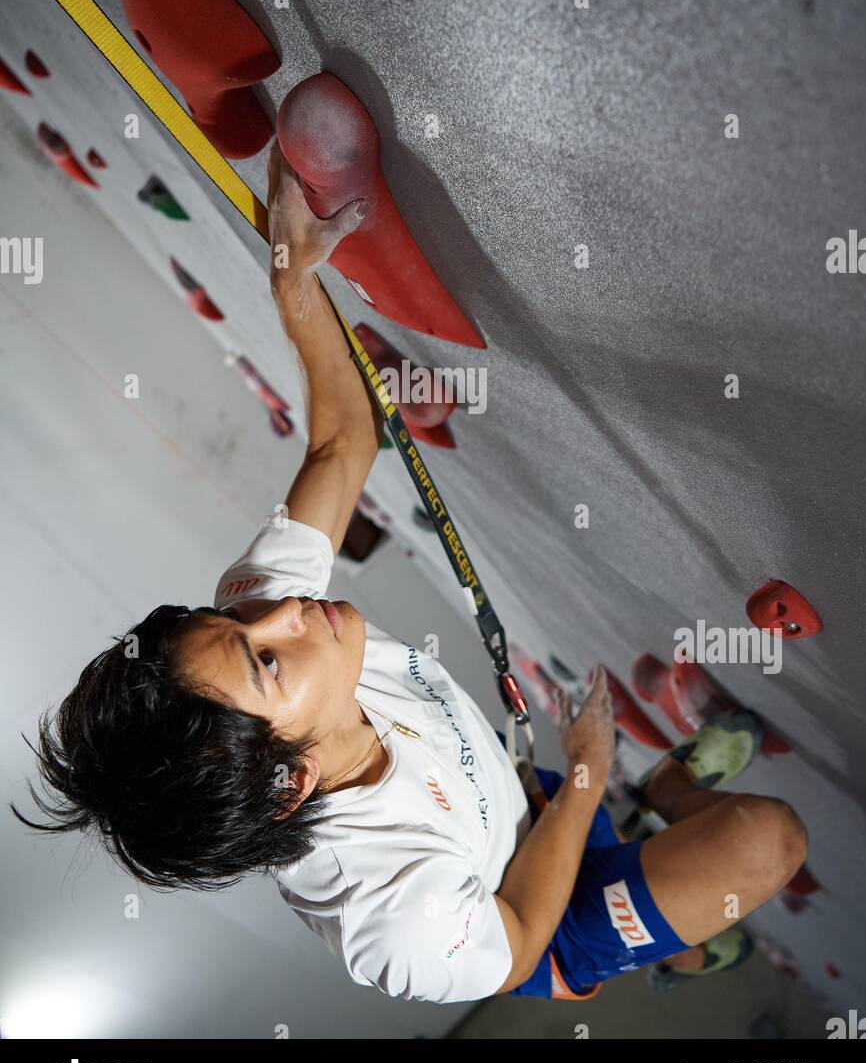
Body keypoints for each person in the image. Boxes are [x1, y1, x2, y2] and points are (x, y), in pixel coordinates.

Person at [14, 144, 809, 1005]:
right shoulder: (393, 922)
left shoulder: (262, 613)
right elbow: (512, 944)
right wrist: (583, 774)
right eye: (268, 661)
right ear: (291, 784)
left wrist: (295, 288)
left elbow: (340, 441)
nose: (286, 612)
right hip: (515, 908)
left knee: (657, 871)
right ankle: (661, 851)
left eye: (241, 621)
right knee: (767, 841)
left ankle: (660, 799)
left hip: (499, 794)